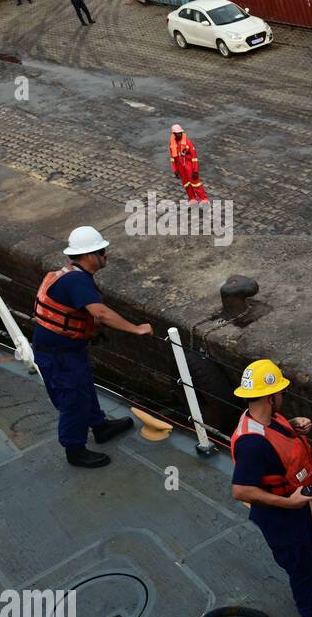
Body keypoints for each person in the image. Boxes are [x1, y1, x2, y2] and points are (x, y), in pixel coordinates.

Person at [230, 359, 312, 617]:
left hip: (295, 507)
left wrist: (295, 426)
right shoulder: (252, 444)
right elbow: (240, 490)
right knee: (300, 565)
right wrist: (288, 502)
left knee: (307, 548)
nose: (283, 397)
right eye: (280, 392)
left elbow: (280, 445)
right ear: (270, 397)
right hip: (280, 514)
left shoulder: (269, 418)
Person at [32, 227, 152, 468]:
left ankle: (100, 426)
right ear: (89, 256)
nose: (106, 255)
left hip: (68, 351)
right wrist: (136, 328)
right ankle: (75, 450)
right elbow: (100, 312)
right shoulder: (77, 281)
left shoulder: (72, 276)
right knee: (73, 400)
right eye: (102, 251)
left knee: (84, 387)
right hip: (58, 356)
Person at [168, 124, 208, 204]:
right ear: (174, 134)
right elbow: (173, 158)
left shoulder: (187, 142)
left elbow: (194, 157)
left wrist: (195, 170)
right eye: (177, 133)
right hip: (181, 168)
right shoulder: (172, 144)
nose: (179, 134)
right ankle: (192, 199)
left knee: (196, 183)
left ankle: (204, 200)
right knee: (186, 184)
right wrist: (175, 170)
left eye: (180, 133)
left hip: (189, 166)